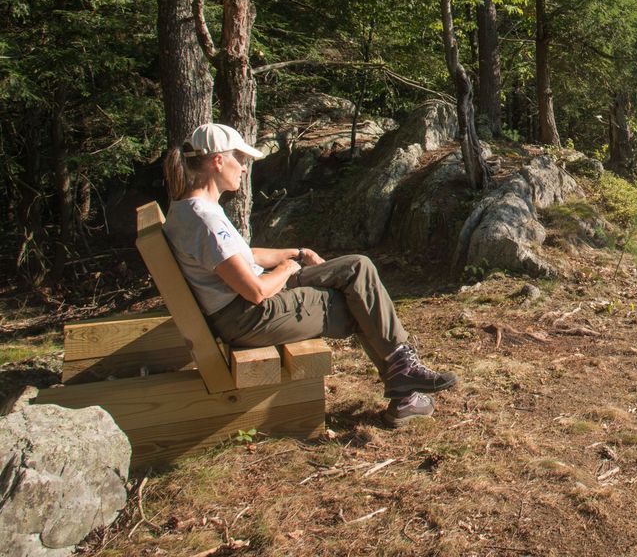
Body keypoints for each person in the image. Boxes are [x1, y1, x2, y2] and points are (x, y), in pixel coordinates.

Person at [161, 122, 455, 426]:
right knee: (360, 304)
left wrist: (298, 253)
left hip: (245, 308)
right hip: (250, 316)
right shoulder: (206, 221)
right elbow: (255, 291)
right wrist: (287, 268)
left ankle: (402, 370)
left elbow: (242, 257)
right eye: (242, 159)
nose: (245, 169)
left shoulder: (190, 209)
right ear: (218, 160)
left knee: (358, 266)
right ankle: (404, 389)